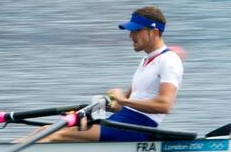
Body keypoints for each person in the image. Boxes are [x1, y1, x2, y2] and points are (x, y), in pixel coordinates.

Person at [36, 8, 182, 143]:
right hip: (121, 121)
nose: (130, 35)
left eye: (136, 30)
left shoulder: (169, 60)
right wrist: (97, 107)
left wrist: (122, 100)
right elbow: (123, 104)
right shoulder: (146, 61)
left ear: (154, 32)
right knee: (45, 130)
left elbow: (164, 105)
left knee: (56, 133)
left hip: (136, 128)